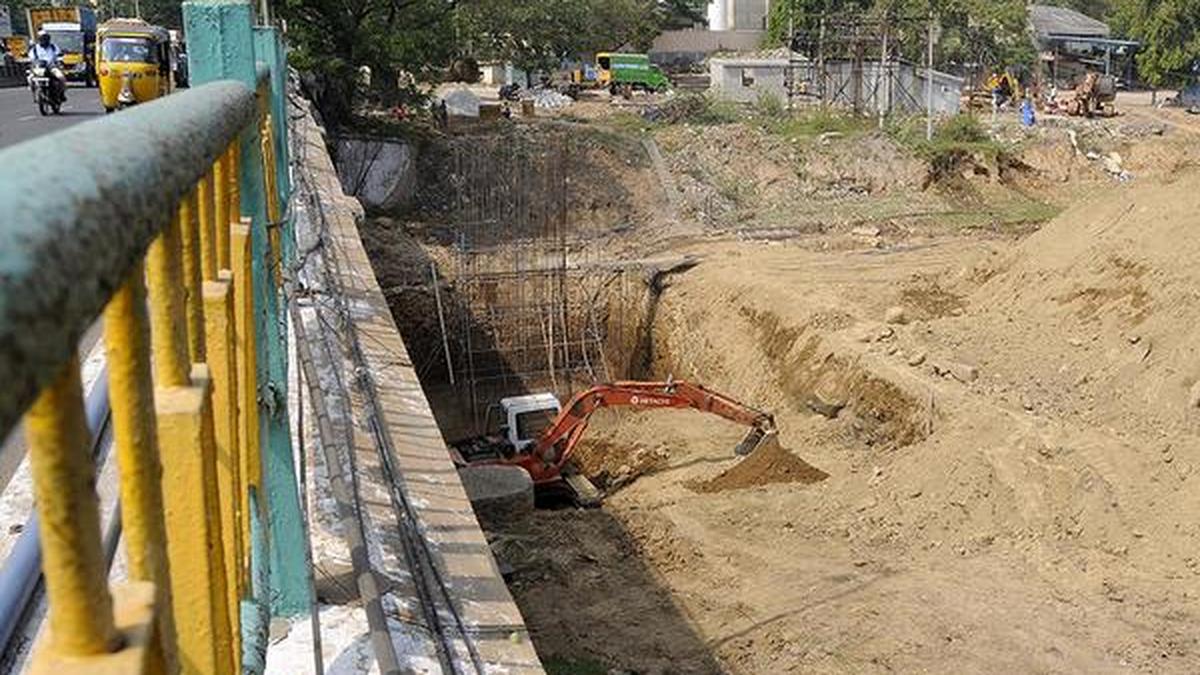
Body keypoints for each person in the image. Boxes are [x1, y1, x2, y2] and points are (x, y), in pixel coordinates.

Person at [28, 30, 66, 101]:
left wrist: (59, 59)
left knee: (61, 77)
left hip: (52, 67)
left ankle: (62, 94)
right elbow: (31, 58)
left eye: (45, 38)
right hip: (39, 68)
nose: (44, 40)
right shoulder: (35, 49)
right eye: (42, 38)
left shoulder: (53, 47)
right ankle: (34, 96)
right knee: (30, 79)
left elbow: (59, 54)